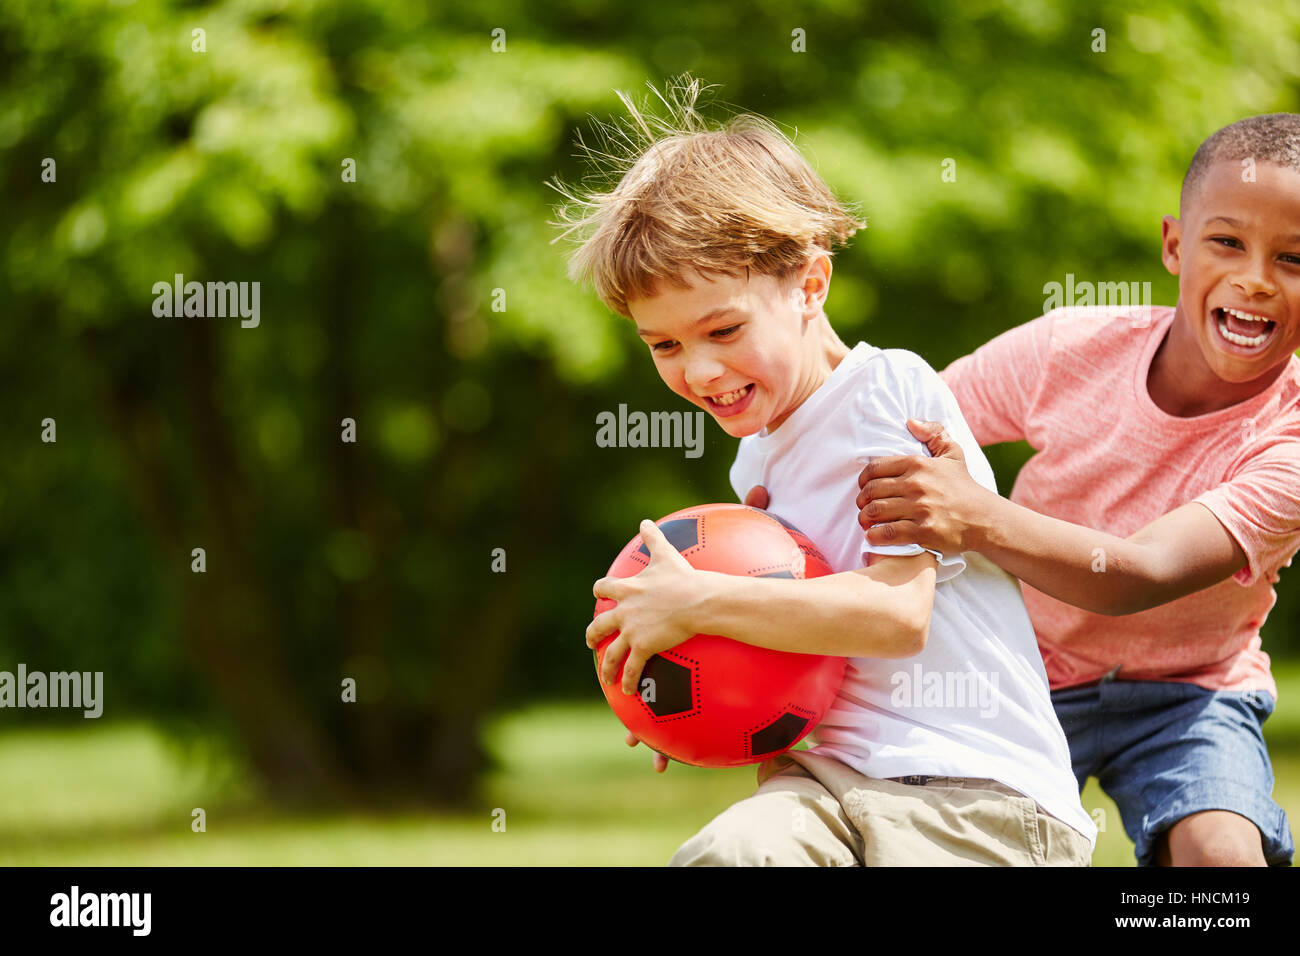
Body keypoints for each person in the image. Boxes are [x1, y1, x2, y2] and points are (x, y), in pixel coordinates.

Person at [550, 77, 1096, 866]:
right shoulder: (756, 462)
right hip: (823, 784)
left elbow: (895, 617)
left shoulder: (889, 397)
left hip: (968, 792)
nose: (700, 369)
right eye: (663, 345)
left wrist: (699, 599)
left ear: (809, 285)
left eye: (723, 327)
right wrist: (692, 683)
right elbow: (797, 638)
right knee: (726, 854)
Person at [850, 113, 1300, 866]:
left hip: (1188, 696)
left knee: (1222, 859)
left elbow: (1139, 573)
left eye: (1294, 257)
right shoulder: (1071, 348)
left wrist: (977, 517)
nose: (1255, 276)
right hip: (1014, 669)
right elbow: (894, 432)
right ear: (1174, 246)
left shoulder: (1289, 440)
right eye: (1228, 242)